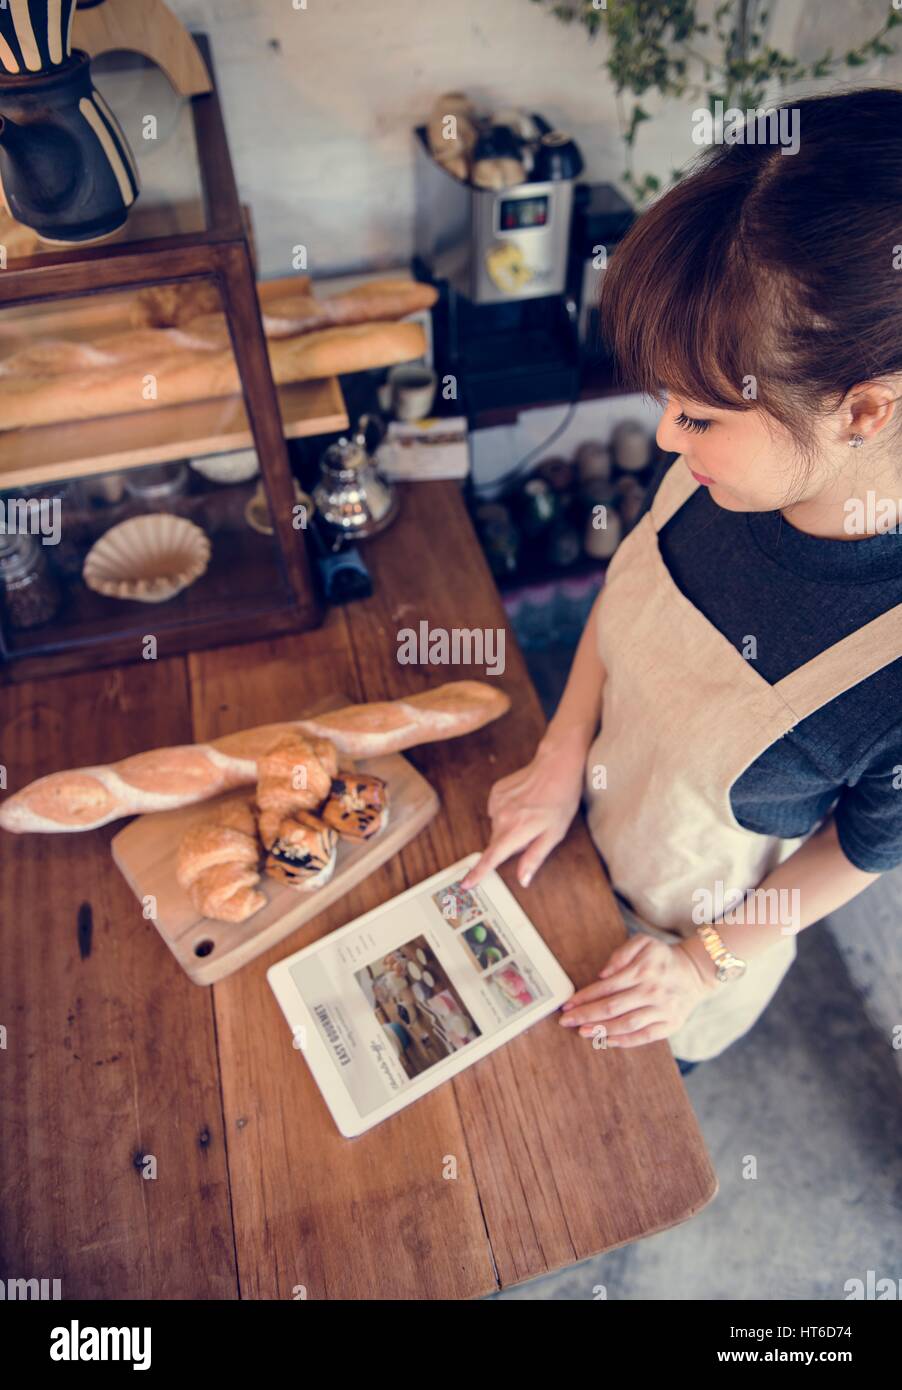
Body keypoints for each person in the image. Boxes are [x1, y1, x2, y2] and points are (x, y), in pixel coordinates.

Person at [462, 88, 902, 1070]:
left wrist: (702, 962)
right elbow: (626, 598)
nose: (665, 439)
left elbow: (866, 848)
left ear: (861, 412)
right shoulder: (722, 479)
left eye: (697, 416)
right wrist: (560, 750)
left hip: (660, 955)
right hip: (567, 842)